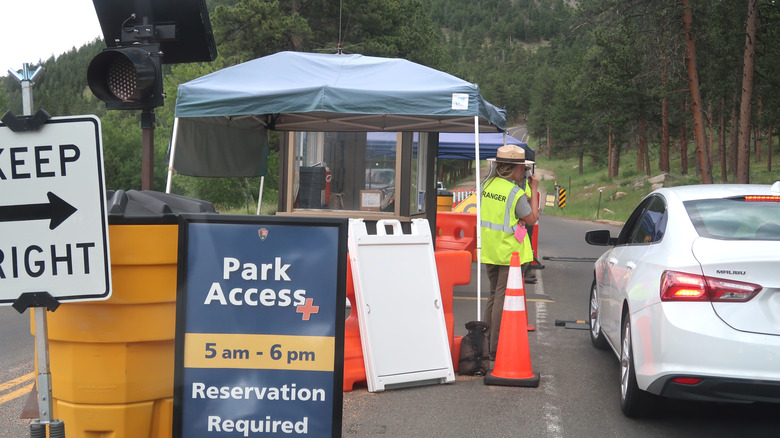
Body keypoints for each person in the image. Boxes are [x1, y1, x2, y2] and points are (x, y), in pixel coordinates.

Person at [480, 144, 539, 360]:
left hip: (491, 248)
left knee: (493, 295)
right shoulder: (515, 193)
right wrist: (534, 190)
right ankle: (495, 348)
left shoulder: (486, 185)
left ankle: (485, 342)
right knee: (501, 297)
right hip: (509, 252)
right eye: (523, 168)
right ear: (513, 168)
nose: (524, 172)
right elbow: (532, 218)